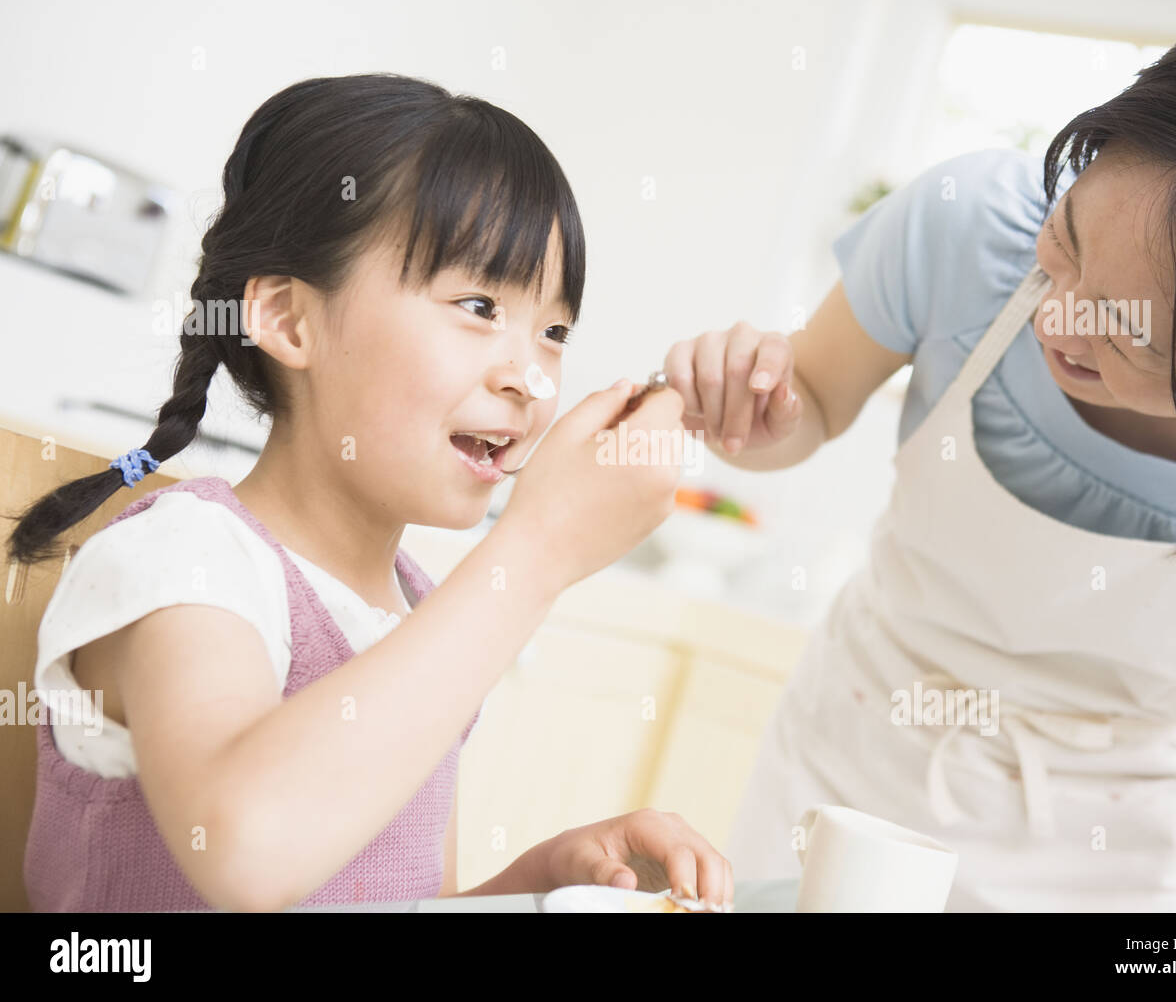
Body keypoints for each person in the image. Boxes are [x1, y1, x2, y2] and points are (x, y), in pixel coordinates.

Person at [6, 73, 732, 912]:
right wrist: (537, 554)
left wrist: (541, 881)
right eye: (478, 304)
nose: (532, 378)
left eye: (555, 331)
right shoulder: (185, 563)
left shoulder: (428, 612)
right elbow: (244, 852)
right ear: (287, 319)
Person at [663, 5, 1176, 910]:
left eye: (1122, 331)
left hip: (1104, 843)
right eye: (1065, 242)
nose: (1058, 315)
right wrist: (756, 407)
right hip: (856, 765)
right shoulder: (967, 229)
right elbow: (804, 405)